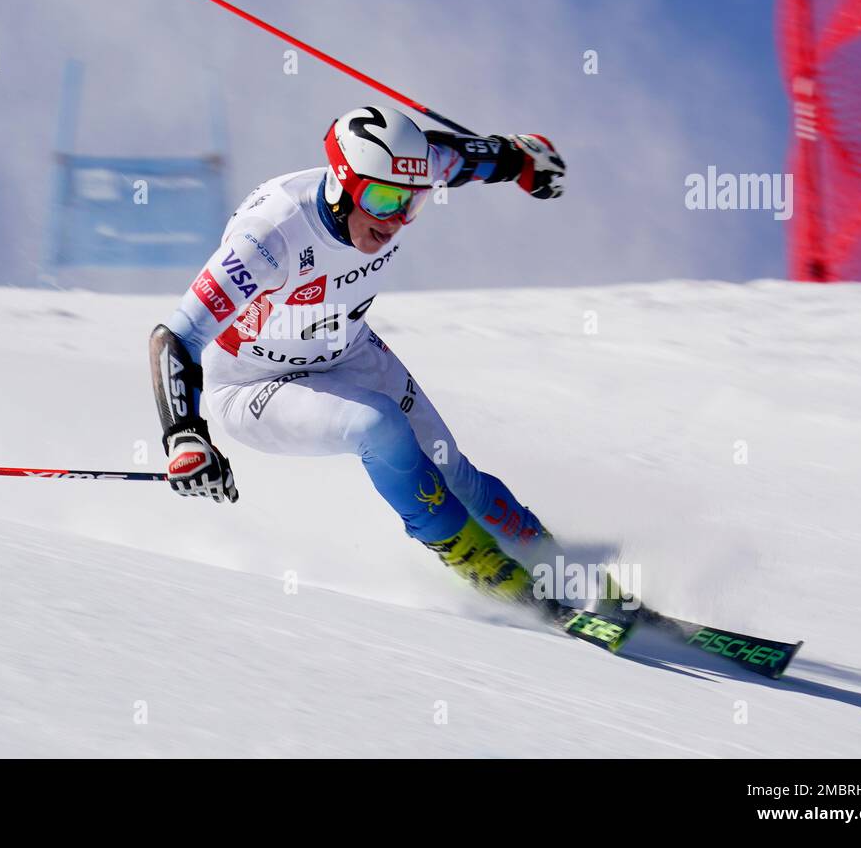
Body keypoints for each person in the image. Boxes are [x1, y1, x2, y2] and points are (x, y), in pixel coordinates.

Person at [148, 105, 566, 603]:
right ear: (341, 186)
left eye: (412, 204)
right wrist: (185, 437)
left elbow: (459, 157)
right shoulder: (270, 237)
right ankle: (483, 567)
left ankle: (559, 568)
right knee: (377, 426)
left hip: (346, 349)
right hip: (252, 384)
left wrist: (519, 158)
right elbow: (174, 337)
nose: (394, 220)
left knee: (455, 472)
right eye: (383, 199)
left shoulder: (408, 176)